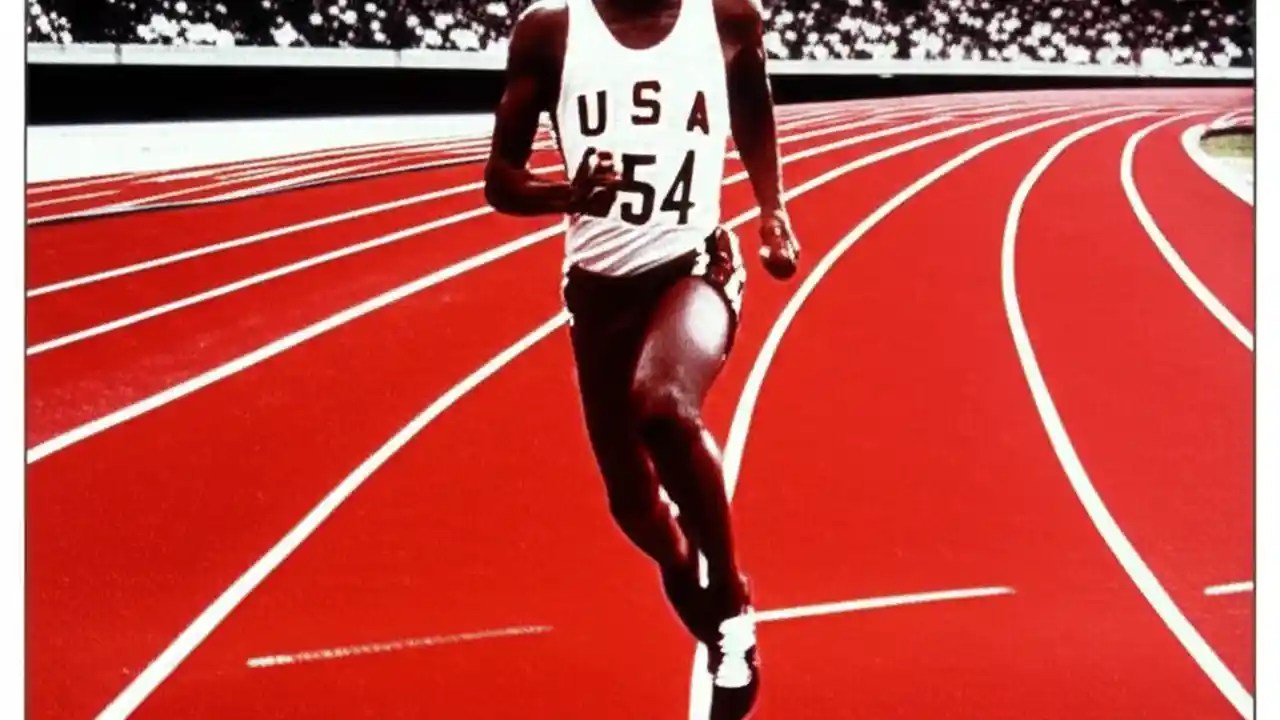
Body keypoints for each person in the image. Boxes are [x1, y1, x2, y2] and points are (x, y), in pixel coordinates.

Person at [483, 0, 799, 714]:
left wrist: (772, 209)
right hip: (598, 295)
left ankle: (730, 604)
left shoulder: (727, 18)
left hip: (695, 268)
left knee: (663, 404)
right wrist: (569, 193)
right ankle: (721, 615)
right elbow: (499, 180)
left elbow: (752, 102)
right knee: (634, 508)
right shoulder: (550, 31)